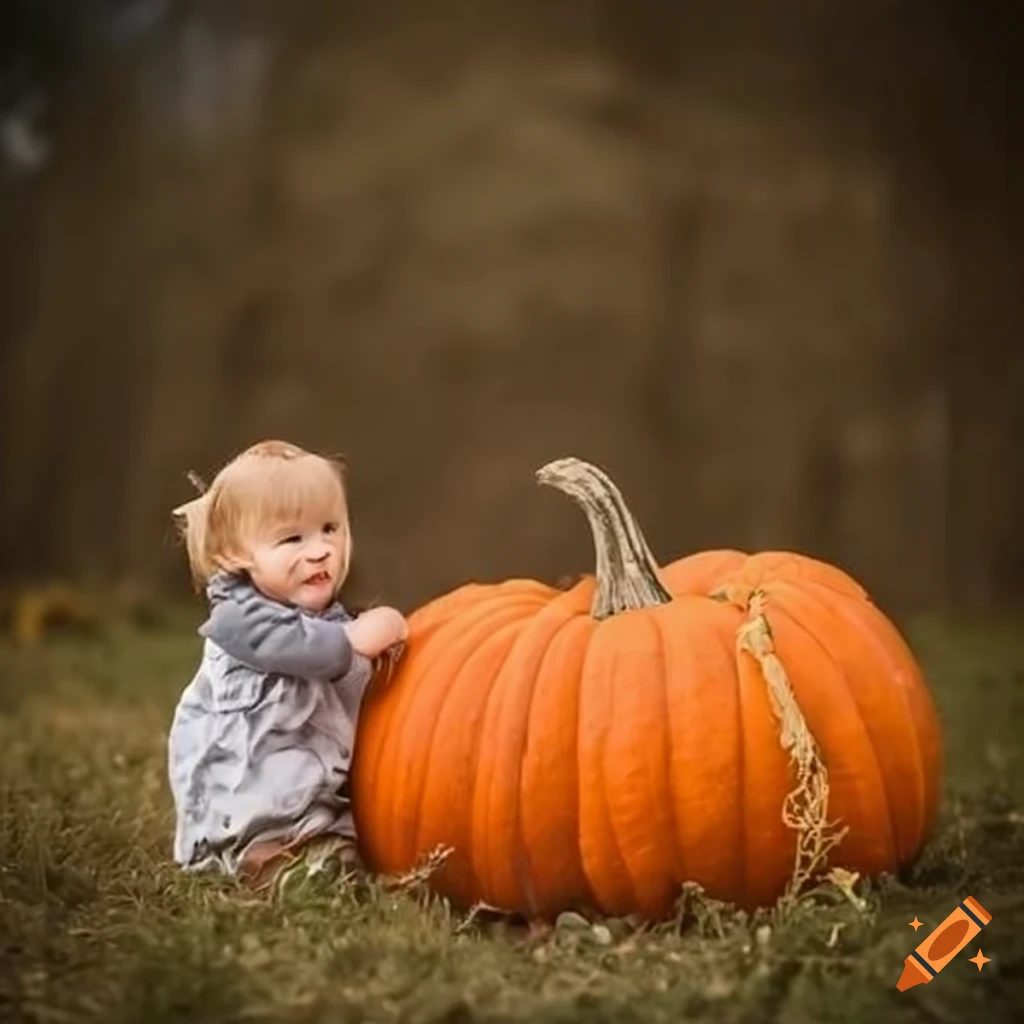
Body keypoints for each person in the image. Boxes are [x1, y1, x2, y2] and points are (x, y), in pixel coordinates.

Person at [166, 439, 407, 892]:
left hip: (308, 801)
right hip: (245, 814)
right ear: (235, 556)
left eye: (330, 528)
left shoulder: (323, 618)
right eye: (293, 538)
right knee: (301, 865)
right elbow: (310, 649)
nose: (320, 550)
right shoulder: (241, 620)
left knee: (351, 851)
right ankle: (265, 865)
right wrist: (359, 637)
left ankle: (326, 854)